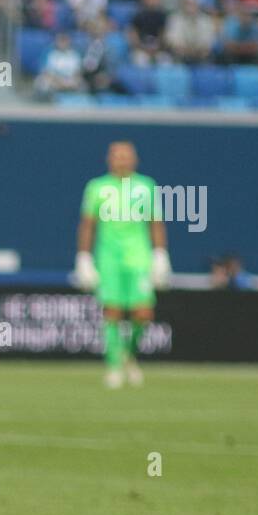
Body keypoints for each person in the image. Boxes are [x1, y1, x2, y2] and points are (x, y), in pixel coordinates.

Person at [74, 141, 171, 389]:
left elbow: (156, 222)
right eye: (117, 156)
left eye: (126, 156)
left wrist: (160, 254)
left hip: (139, 257)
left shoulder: (146, 186)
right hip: (108, 258)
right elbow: (88, 224)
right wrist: (83, 257)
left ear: (135, 159)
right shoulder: (97, 187)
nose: (122, 160)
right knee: (113, 312)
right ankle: (114, 364)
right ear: (109, 159)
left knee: (143, 313)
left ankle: (129, 355)